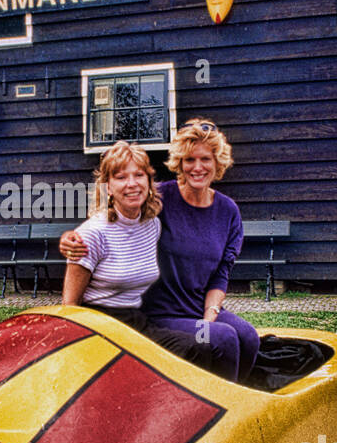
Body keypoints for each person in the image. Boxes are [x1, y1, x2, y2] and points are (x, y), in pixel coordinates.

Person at [62, 119, 260, 383]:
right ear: (179, 163)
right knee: (223, 339)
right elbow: (119, 214)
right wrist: (69, 239)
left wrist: (210, 316)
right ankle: (218, 409)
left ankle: (241, 396)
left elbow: (222, 272)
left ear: (218, 163)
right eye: (189, 160)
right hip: (160, 313)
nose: (197, 167)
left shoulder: (228, 211)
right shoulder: (159, 199)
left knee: (247, 337)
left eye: (205, 159)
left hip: (202, 308)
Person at [62, 140, 212, 368]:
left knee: (198, 347)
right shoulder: (92, 234)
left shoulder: (152, 225)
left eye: (139, 175)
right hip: (101, 326)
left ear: (149, 182)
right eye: (121, 177)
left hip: (137, 320)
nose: (132, 184)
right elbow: (70, 306)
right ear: (108, 187)